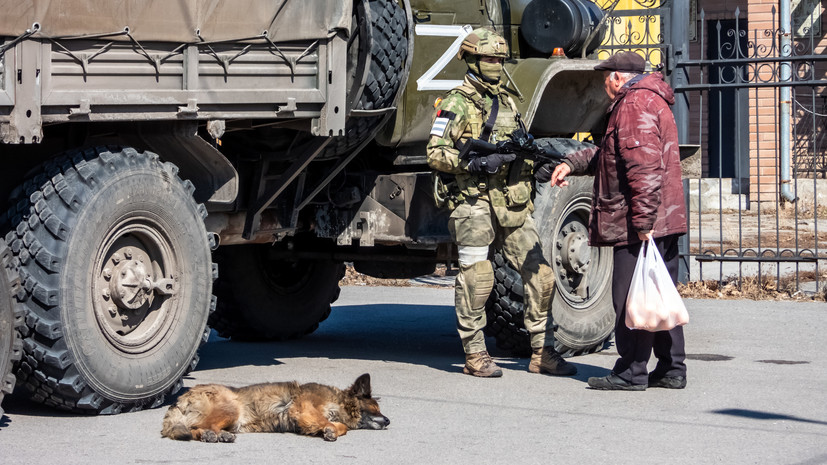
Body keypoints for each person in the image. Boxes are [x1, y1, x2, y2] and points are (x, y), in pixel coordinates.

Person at [426, 27, 576, 378]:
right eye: (490, 58)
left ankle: (542, 351)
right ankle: (475, 353)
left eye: (500, 59)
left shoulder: (507, 101)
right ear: (473, 60)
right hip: (473, 203)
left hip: (511, 203)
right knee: (477, 278)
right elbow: (435, 153)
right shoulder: (455, 103)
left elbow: (515, 148)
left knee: (541, 276)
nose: (496, 64)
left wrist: (535, 166)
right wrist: (473, 163)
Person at [547, 51, 688, 390]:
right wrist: (574, 162)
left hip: (638, 221)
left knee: (630, 297)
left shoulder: (633, 104)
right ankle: (671, 368)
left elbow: (643, 170)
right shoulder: (651, 100)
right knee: (658, 291)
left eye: (605, 77)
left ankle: (631, 372)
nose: (604, 84)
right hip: (662, 217)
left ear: (617, 77)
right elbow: (614, 154)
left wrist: (642, 222)